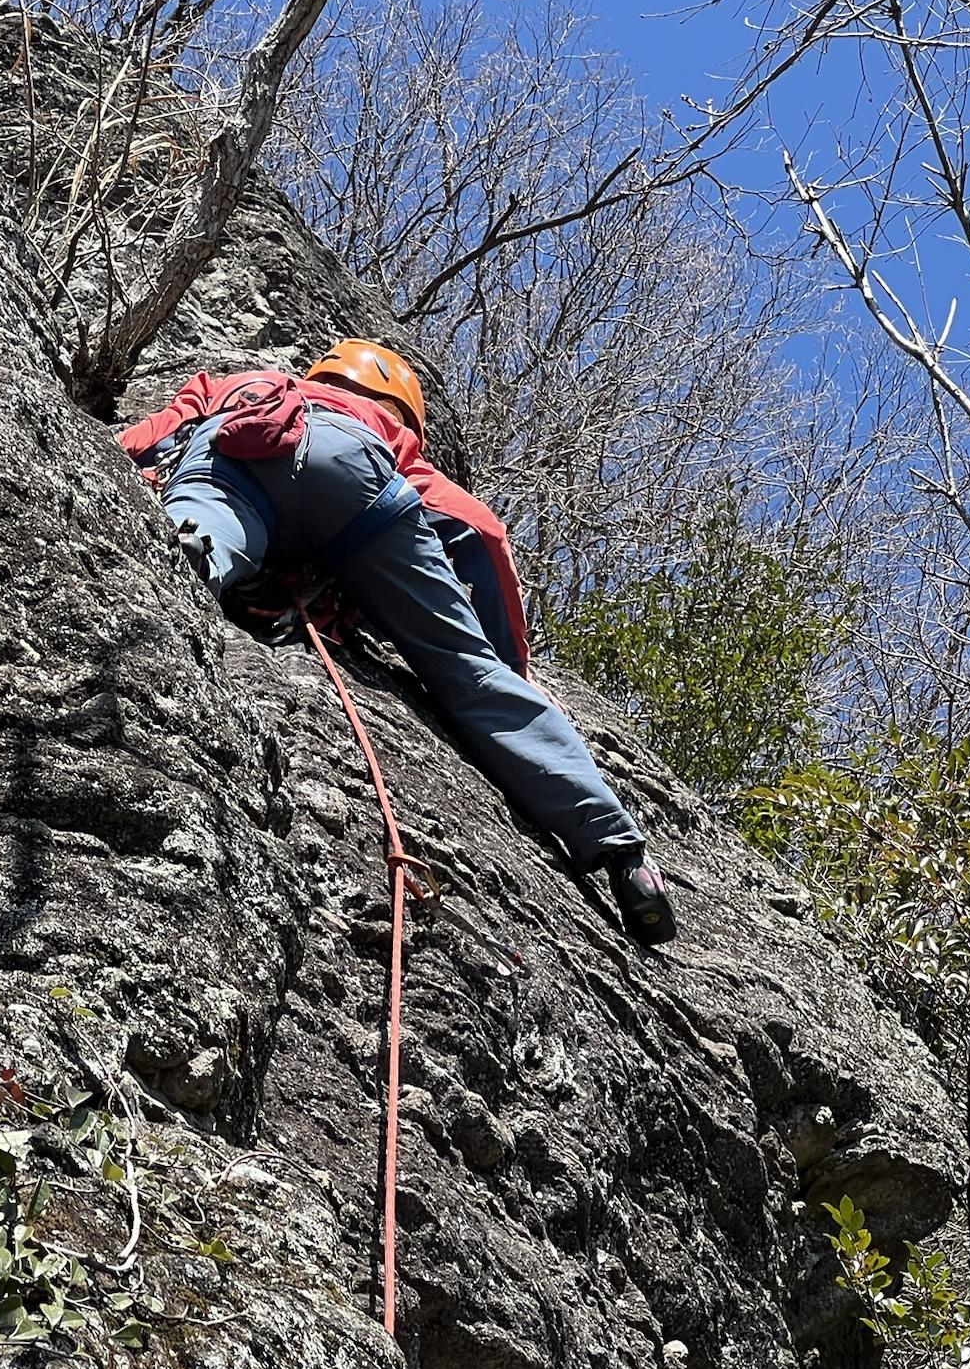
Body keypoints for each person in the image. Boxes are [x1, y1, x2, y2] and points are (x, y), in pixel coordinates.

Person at [118, 340, 676, 944]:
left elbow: (145, 438)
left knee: (197, 541)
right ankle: (621, 853)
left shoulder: (244, 381)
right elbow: (479, 531)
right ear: (404, 410)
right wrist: (510, 667)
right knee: (472, 677)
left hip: (238, 444)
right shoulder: (392, 432)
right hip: (354, 475)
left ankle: (201, 550)